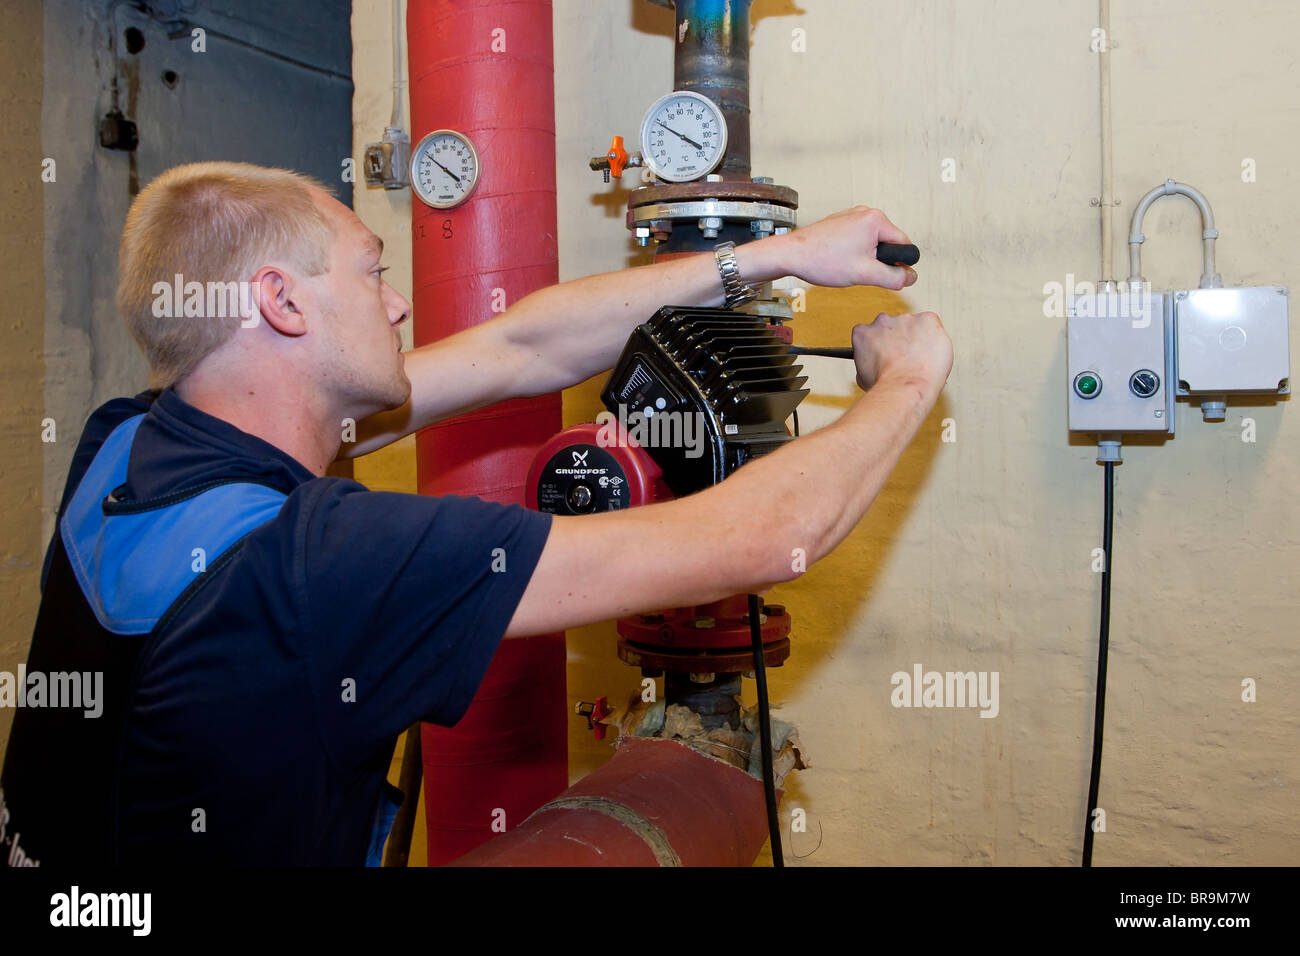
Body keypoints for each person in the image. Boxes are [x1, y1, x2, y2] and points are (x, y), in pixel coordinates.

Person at [0, 161, 952, 866]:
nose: (403, 302)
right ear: (281, 303)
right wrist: (905, 384)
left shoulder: (123, 444)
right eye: (372, 274)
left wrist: (781, 255)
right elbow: (754, 538)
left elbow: (525, 347)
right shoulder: (323, 561)